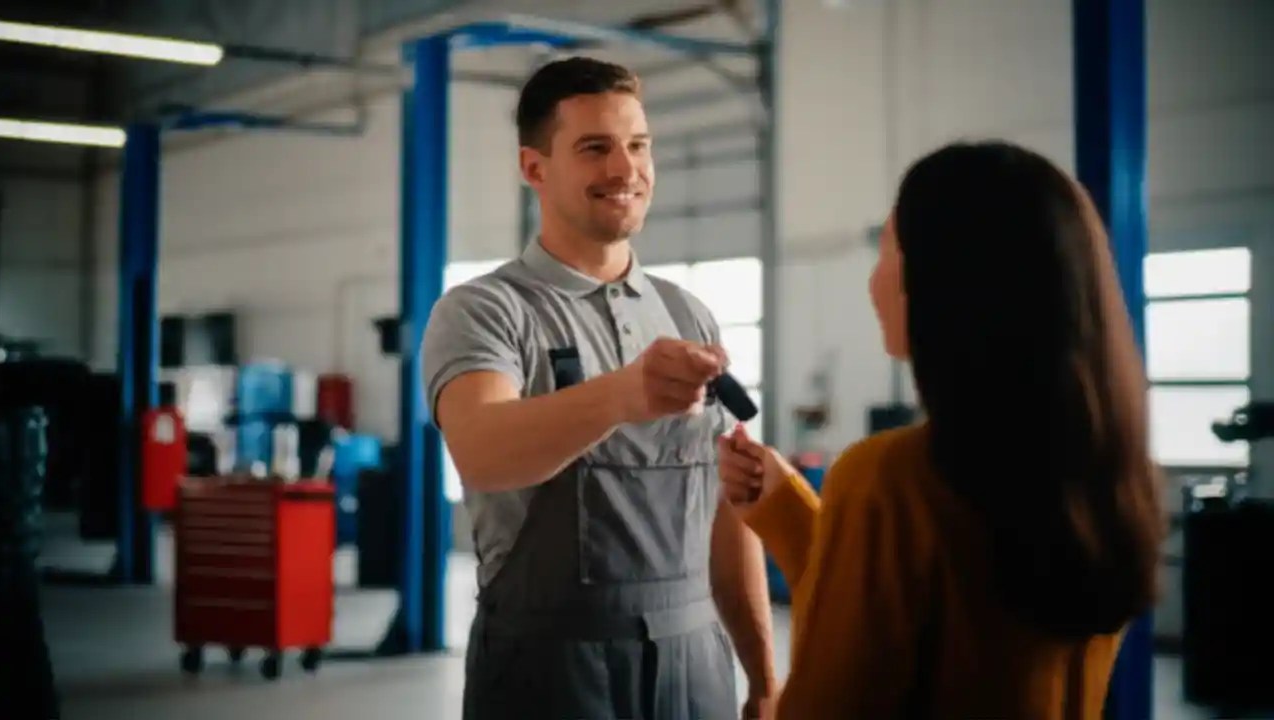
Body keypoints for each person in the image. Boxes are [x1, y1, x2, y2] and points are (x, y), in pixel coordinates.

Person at [718, 141, 1166, 718]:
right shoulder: (1103, 474)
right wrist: (786, 513)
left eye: (887, 250)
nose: (874, 282)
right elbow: (920, 620)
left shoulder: (891, 477)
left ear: (944, 283)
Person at [421, 56, 778, 719]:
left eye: (638, 146)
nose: (626, 169)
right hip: (547, 670)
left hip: (695, 666)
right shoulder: (485, 311)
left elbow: (728, 509)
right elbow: (481, 450)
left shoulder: (687, 314)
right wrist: (621, 394)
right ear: (535, 168)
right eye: (595, 149)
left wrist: (761, 671)